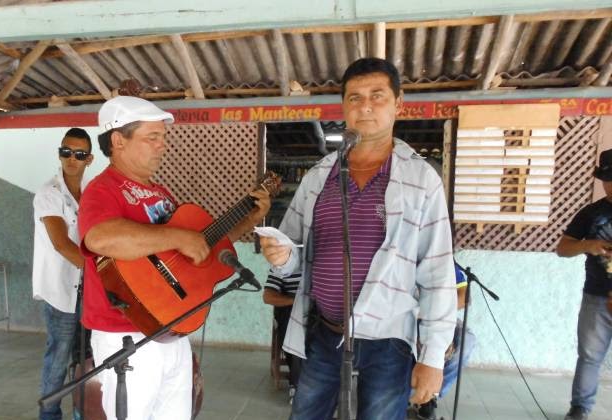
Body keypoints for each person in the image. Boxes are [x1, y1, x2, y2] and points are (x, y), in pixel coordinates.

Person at [260, 57, 457, 420]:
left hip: (389, 341)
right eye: (354, 98)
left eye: (377, 96)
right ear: (344, 107)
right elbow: (294, 254)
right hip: (324, 330)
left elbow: (437, 274)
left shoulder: (420, 180)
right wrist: (280, 254)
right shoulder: (320, 176)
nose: (365, 106)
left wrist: (432, 357)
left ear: (399, 104)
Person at [78, 96, 271, 420]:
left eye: (163, 138)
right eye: (152, 137)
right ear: (118, 141)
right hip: (126, 334)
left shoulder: (161, 193)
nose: (162, 146)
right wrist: (179, 237)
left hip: (171, 328)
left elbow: (200, 248)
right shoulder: (103, 189)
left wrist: (248, 221)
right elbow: (100, 238)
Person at [32, 128, 94, 420]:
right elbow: (61, 244)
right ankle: (50, 414)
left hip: (88, 290)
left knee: (87, 357)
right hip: (61, 292)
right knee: (58, 357)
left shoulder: (91, 195)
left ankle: (83, 411)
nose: (72, 159)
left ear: (89, 159)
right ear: (60, 154)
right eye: (66, 152)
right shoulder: (49, 194)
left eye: (79, 154)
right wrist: (101, 270)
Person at [556, 148, 612, 420]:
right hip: (597, 296)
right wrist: (589, 245)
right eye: (608, 179)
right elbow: (562, 248)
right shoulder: (592, 213)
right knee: (589, 355)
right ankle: (580, 408)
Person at [412, 263, 477, 420]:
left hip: (436, 315)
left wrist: (431, 314)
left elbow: (464, 297)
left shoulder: (444, 258)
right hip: (401, 318)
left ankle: (430, 396)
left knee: (467, 341)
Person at [263, 270, 303, 403]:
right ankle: (296, 385)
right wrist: (296, 301)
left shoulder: (324, 260)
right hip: (292, 310)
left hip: (322, 311)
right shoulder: (282, 264)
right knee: (292, 326)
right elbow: (268, 297)